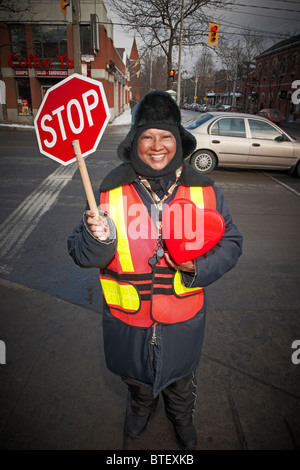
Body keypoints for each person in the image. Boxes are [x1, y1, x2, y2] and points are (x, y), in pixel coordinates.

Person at [67, 90, 243, 450]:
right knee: (137, 382)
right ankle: (140, 408)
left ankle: (180, 416)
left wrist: (198, 266)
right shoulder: (110, 190)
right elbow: (80, 252)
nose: (157, 145)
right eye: (147, 136)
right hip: (127, 322)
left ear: (178, 140)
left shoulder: (205, 189)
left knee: (181, 381)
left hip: (183, 320)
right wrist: (96, 238)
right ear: (135, 142)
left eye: (166, 136)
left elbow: (232, 242)